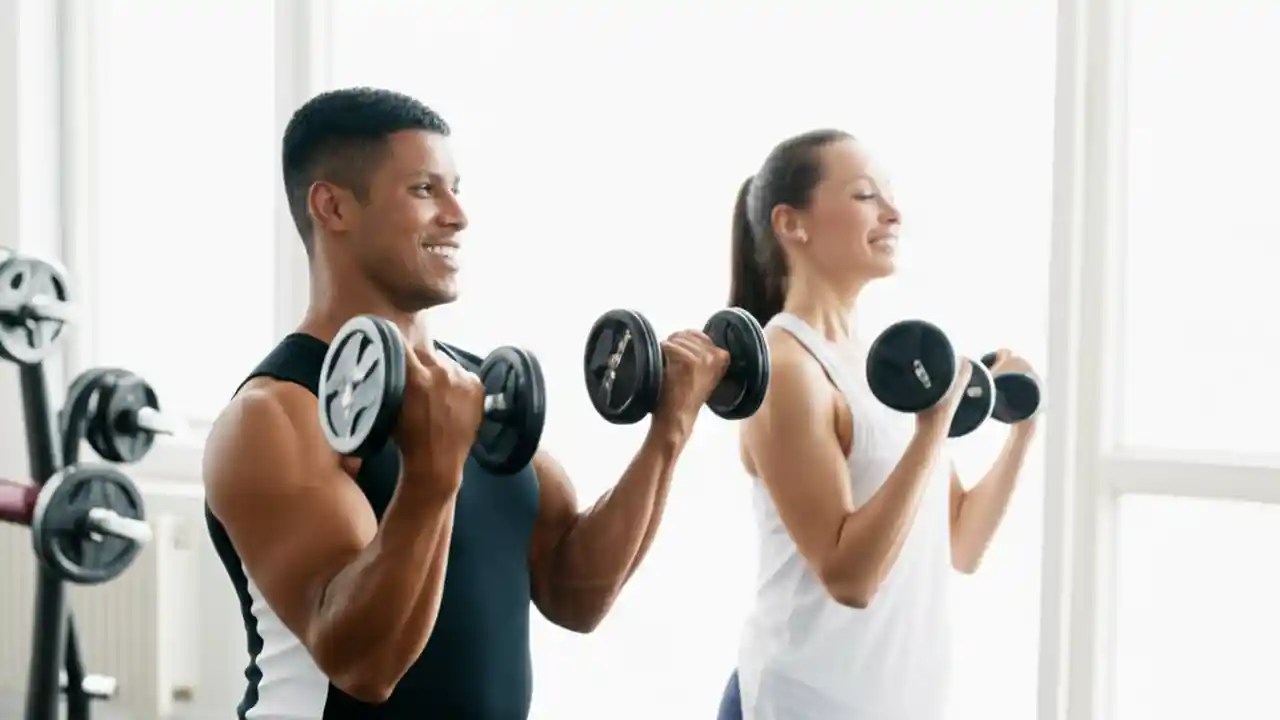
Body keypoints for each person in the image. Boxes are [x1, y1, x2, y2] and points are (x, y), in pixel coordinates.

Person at [201, 86, 731, 720]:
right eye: (424, 190)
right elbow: (363, 667)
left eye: (455, 189)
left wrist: (668, 431)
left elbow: (574, 592)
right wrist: (432, 475)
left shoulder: (476, 386)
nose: (457, 215)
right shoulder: (276, 415)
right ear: (333, 206)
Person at [716, 130, 1040, 720]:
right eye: (866, 195)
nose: (893, 213)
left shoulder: (876, 368)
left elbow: (961, 542)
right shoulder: (788, 369)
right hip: (801, 704)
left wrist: (1022, 431)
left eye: (889, 196)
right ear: (791, 224)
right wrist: (931, 429)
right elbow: (849, 578)